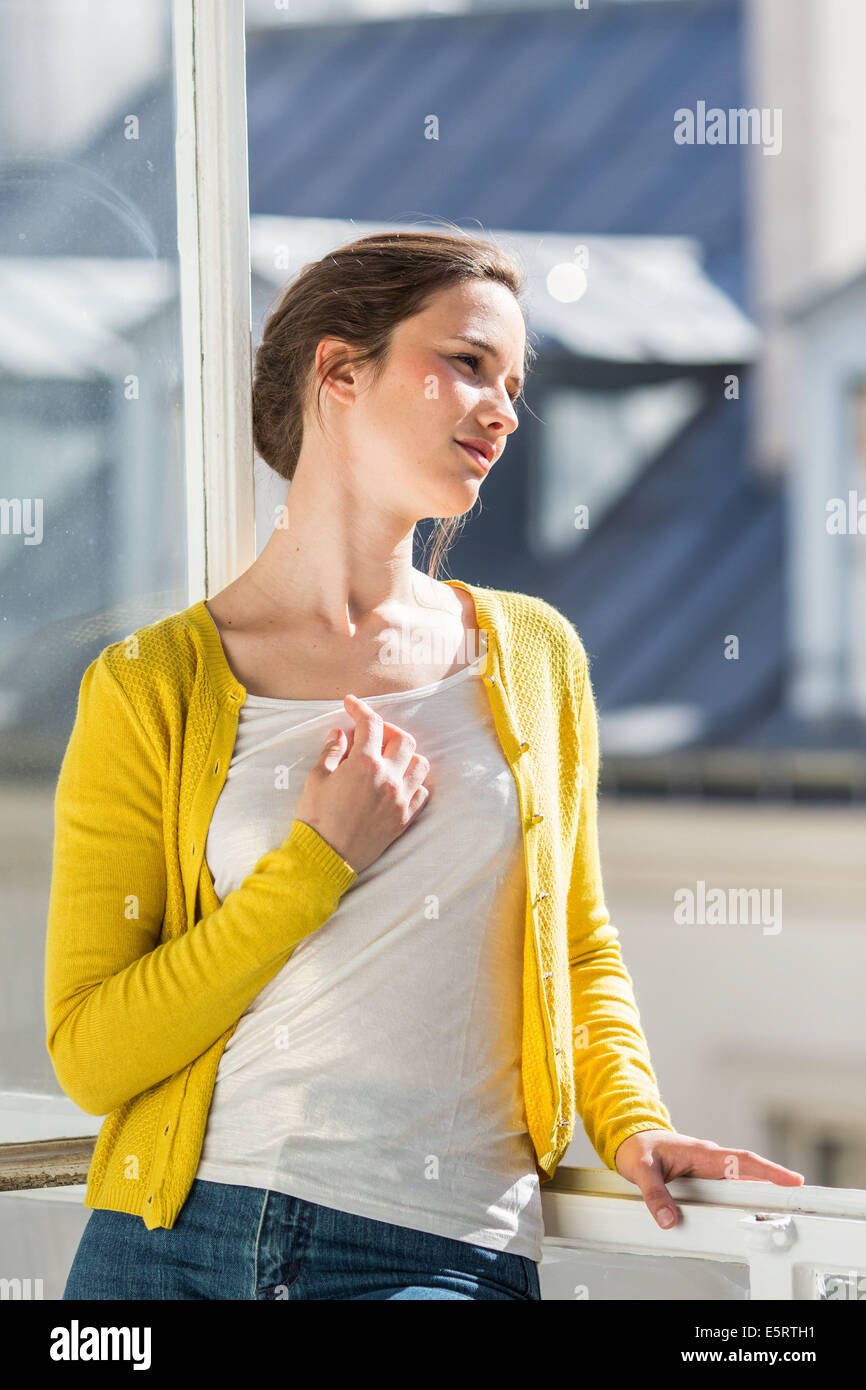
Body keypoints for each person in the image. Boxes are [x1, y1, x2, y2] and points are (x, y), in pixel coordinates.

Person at [49, 227, 803, 1302]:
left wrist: (631, 1123)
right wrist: (312, 862)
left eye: (512, 383)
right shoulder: (149, 684)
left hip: (432, 1252)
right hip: (164, 1241)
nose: (501, 408)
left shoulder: (532, 656)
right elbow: (91, 1053)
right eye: (464, 364)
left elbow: (574, 949)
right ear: (339, 369)